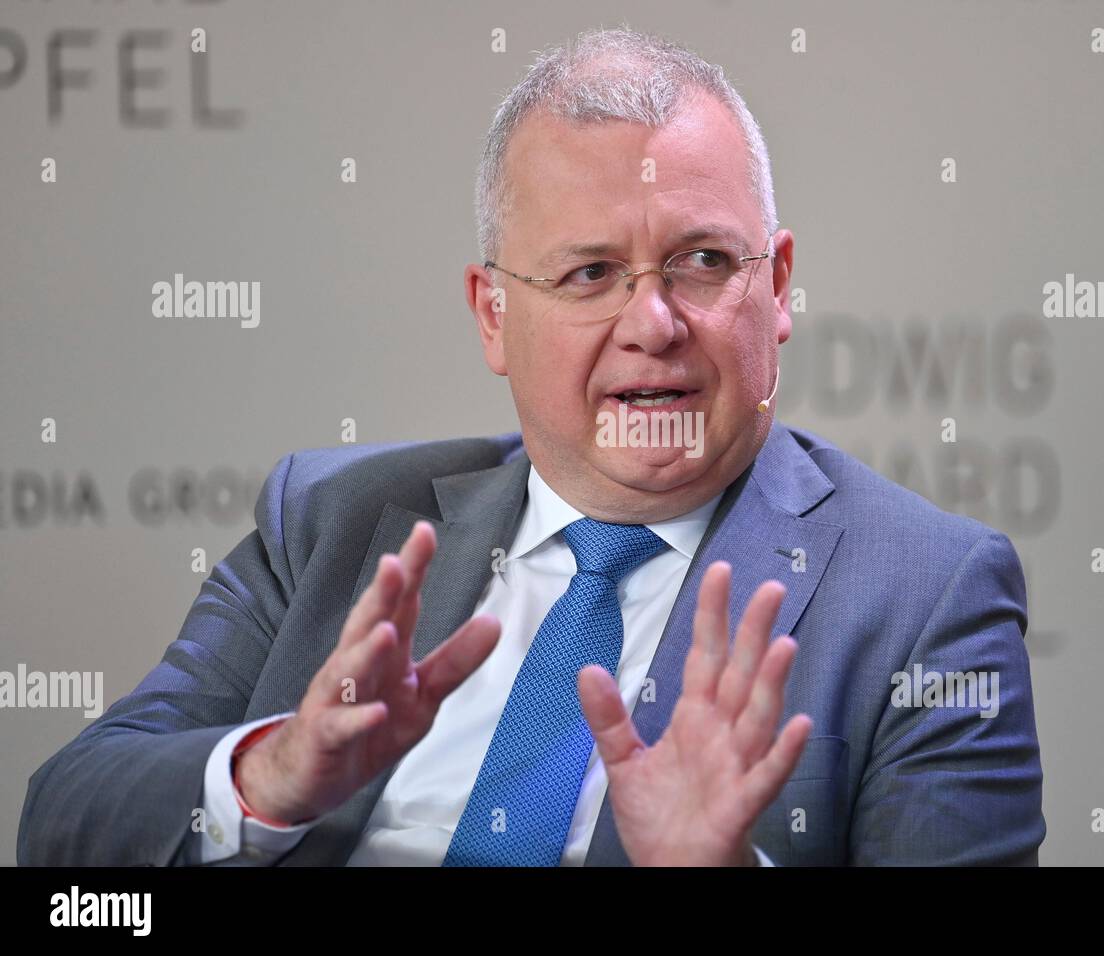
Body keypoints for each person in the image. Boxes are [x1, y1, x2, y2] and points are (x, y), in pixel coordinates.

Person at [17, 26, 1045, 867]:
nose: (653, 321)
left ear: (775, 289)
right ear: (493, 314)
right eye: (590, 273)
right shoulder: (332, 520)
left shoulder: (925, 593)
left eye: (699, 261)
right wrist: (270, 776)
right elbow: (64, 822)